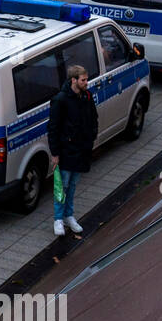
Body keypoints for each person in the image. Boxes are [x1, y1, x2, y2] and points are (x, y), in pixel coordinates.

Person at [47, 65, 99, 237]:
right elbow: (53, 128)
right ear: (74, 80)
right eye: (83, 80)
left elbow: (93, 117)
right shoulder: (60, 100)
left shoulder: (86, 96)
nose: (87, 82)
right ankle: (58, 219)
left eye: (86, 79)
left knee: (73, 184)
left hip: (81, 149)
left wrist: (91, 136)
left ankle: (68, 215)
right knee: (62, 186)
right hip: (67, 150)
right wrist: (55, 154)